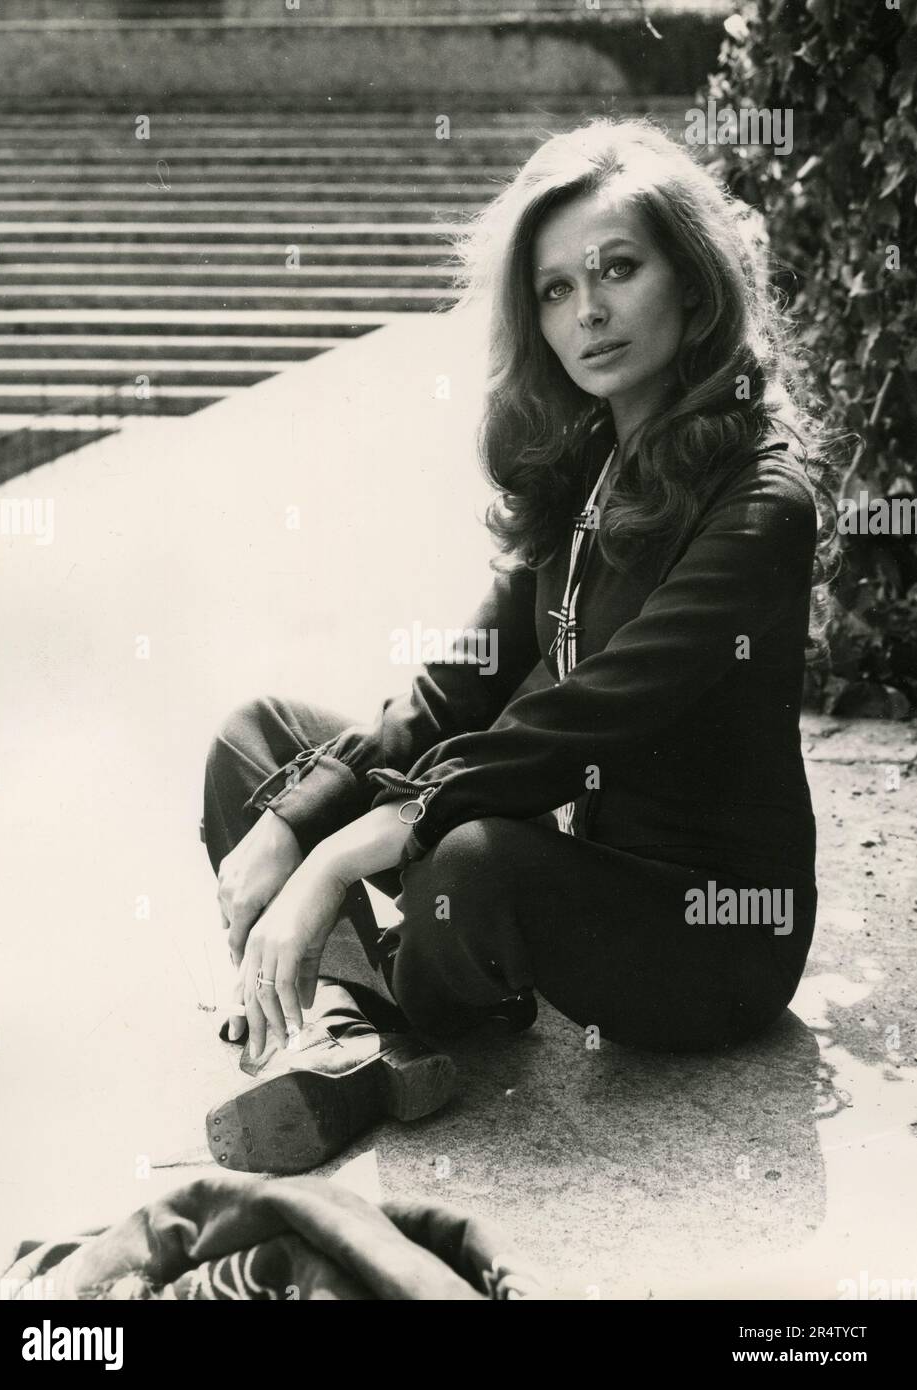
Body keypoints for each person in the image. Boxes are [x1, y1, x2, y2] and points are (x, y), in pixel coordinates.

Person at [201, 116, 838, 1175]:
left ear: (691, 282)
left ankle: (383, 1021)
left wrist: (351, 850)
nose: (588, 312)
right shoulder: (586, 465)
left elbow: (590, 716)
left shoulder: (764, 496)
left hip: (710, 937)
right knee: (259, 743)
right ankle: (396, 1025)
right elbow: (456, 691)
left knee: (470, 860)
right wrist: (300, 822)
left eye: (618, 271)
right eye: (554, 290)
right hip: (574, 876)